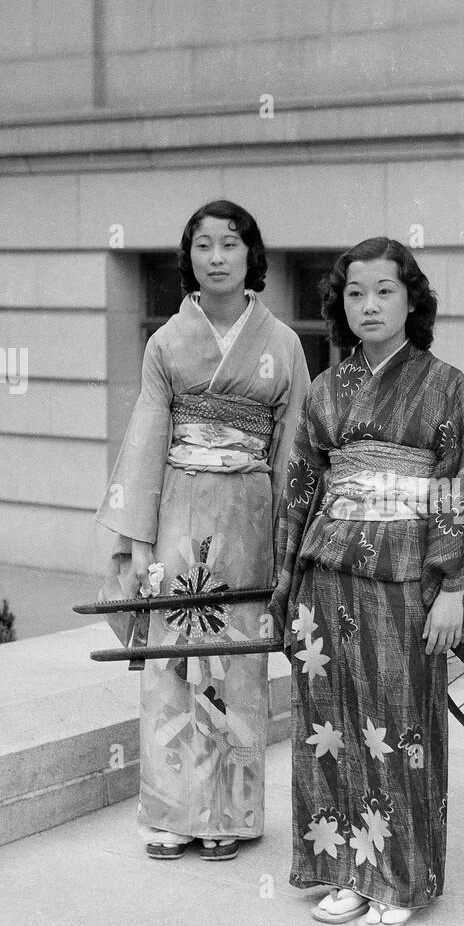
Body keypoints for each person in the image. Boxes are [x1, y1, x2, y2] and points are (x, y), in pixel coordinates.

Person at [270, 238, 464, 926]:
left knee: (395, 725)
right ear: (339, 305)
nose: (368, 305)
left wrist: (455, 589)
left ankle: (398, 878)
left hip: (406, 576)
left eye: (383, 291)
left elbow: (461, 494)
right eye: (354, 293)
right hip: (329, 576)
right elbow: (301, 495)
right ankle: (342, 868)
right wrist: (286, 582)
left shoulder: (447, 387)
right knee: (328, 726)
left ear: (412, 300)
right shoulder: (323, 393)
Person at [95, 200, 310, 861]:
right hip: (177, 514)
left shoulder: (281, 344)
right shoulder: (167, 344)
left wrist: (290, 541)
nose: (216, 258)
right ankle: (168, 811)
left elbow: (295, 448)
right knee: (171, 665)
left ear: (252, 256)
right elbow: (144, 444)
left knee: (236, 664)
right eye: (203, 246)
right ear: (188, 257)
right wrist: (133, 545)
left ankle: (228, 813)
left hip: (247, 513)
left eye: (230, 245)